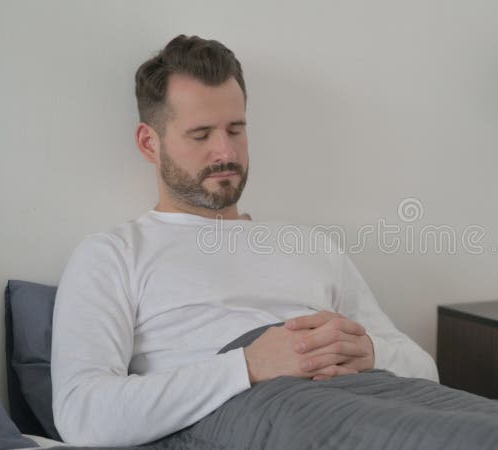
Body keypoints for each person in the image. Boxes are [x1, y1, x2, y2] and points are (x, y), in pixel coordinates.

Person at [50, 34, 438, 447]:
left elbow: (426, 371)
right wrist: (247, 366)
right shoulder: (114, 256)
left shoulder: (311, 246)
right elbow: (83, 414)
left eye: (236, 130)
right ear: (150, 143)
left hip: (370, 404)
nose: (225, 152)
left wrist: (372, 354)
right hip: (268, 419)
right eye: (201, 135)